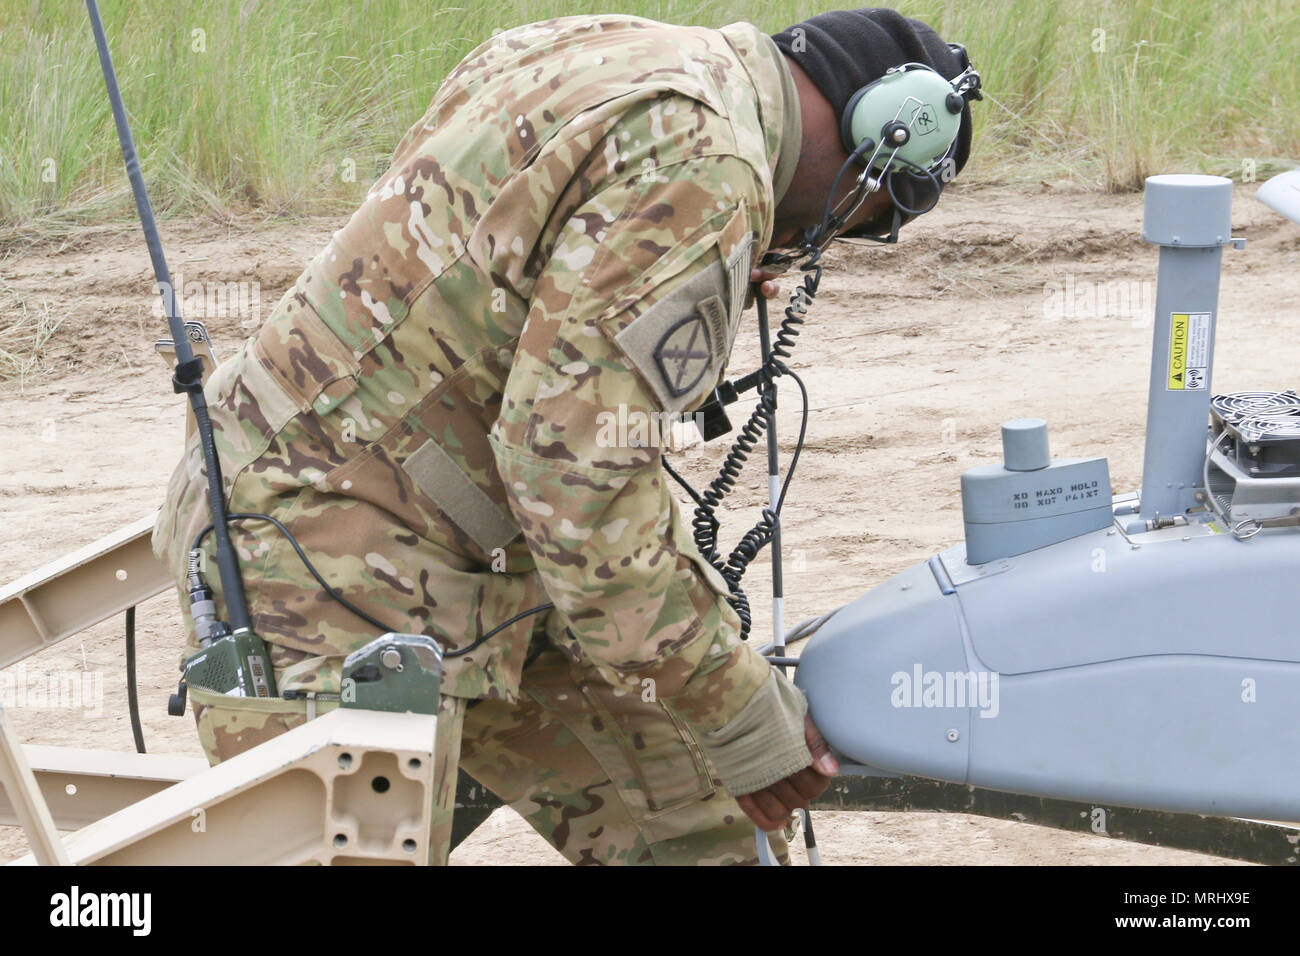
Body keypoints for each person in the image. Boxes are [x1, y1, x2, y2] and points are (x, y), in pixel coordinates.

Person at [152, 7, 977, 865]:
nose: (836, 235)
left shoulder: (609, 49)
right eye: (878, 209)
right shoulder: (708, 168)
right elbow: (579, 489)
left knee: (706, 834)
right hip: (318, 566)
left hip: (459, 538)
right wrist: (734, 704)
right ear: (883, 130)